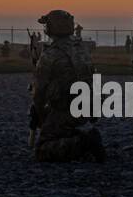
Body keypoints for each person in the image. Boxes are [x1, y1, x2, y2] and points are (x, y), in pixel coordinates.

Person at [30, 10, 104, 162]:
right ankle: (81, 137)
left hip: (67, 108)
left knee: (42, 150)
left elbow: (39, 92)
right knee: (59, 129)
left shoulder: (50, 54)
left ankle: (83, 142)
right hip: (88, 106)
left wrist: (40, 114)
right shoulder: (81, 48)